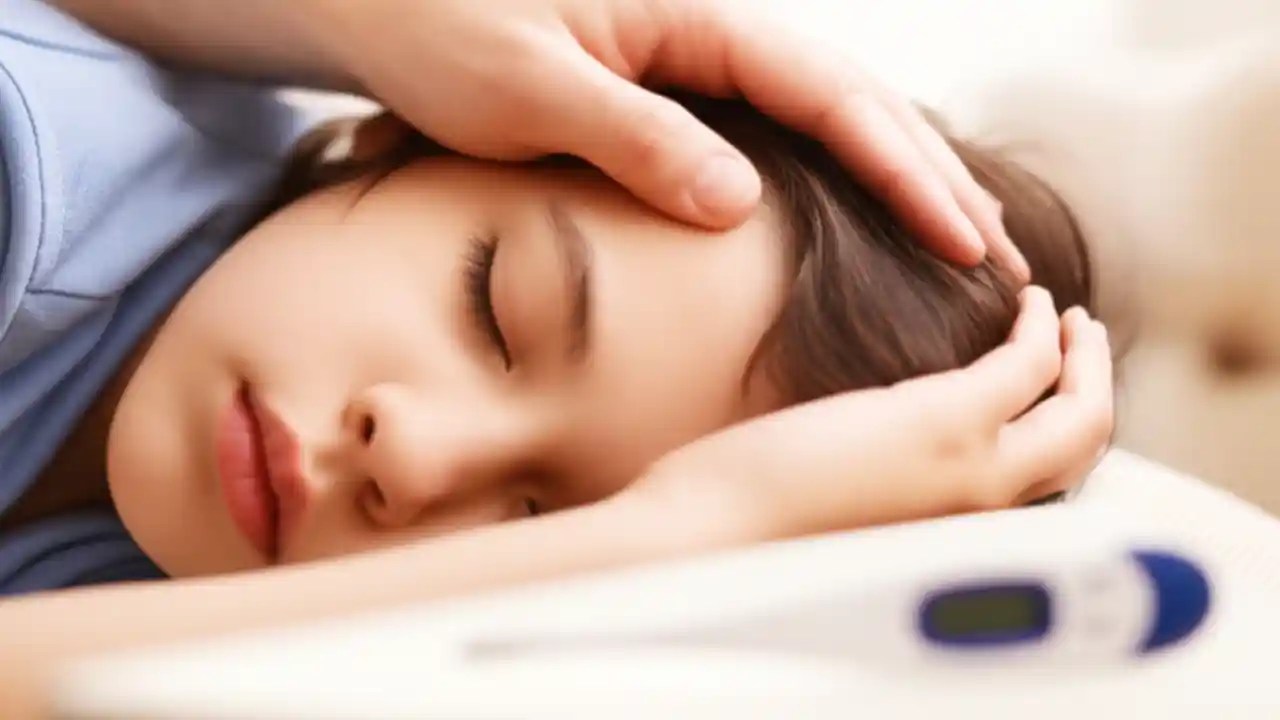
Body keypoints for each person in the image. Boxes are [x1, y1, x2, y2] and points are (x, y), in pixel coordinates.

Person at [0, 0, 1111, 715]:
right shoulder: (37, 154)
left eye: (540, 523)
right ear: (417, 129)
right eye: (494, 305)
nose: (414, 459)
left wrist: (668, 541)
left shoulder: (182, 602)